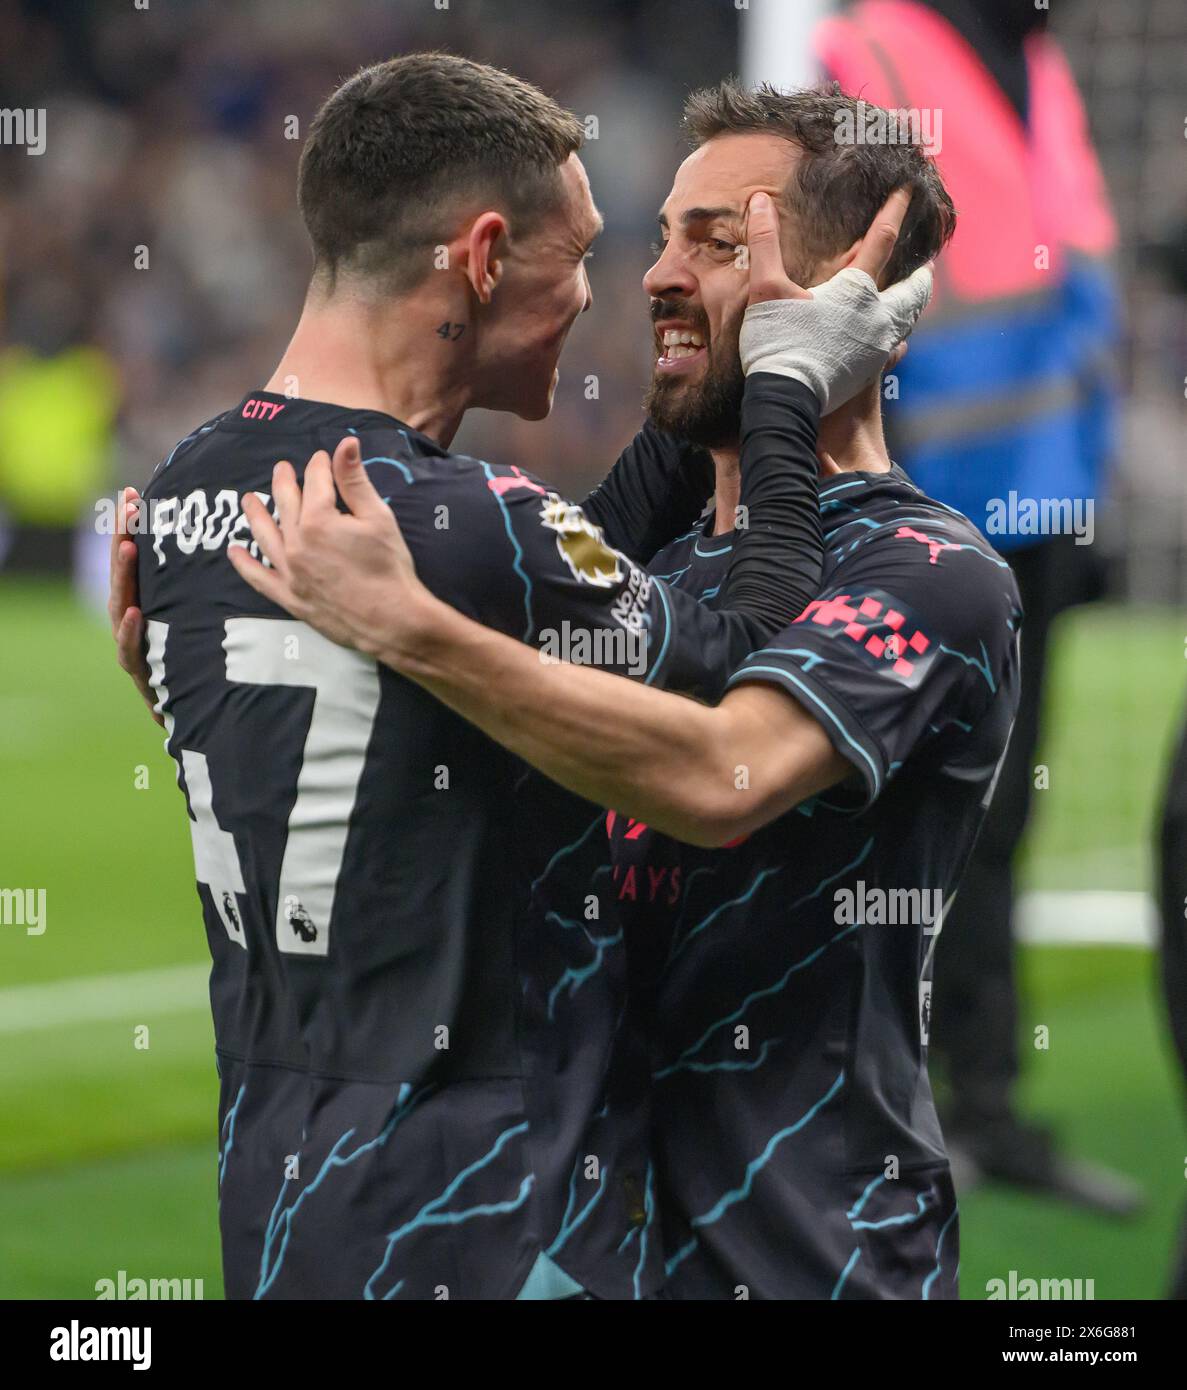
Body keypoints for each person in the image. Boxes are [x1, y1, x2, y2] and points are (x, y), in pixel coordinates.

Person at [110, 54, 930, 1299]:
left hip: (278, 1199)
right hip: (489, 1211)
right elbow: (739, 651)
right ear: (484, 258)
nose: (611, 288)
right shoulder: (459, 524)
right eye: (584, 252)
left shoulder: (185, 494)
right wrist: (781, 383)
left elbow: (551, 576)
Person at [815, 0, 1135, 1212]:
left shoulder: (1036, 58)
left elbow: (1071, 283)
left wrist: (1082, 489)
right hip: (919, 510)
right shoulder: (874, 47)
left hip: (1038, 511)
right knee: (880, 815)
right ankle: (854, 1100)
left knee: (992, 820)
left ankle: (982, 1107)